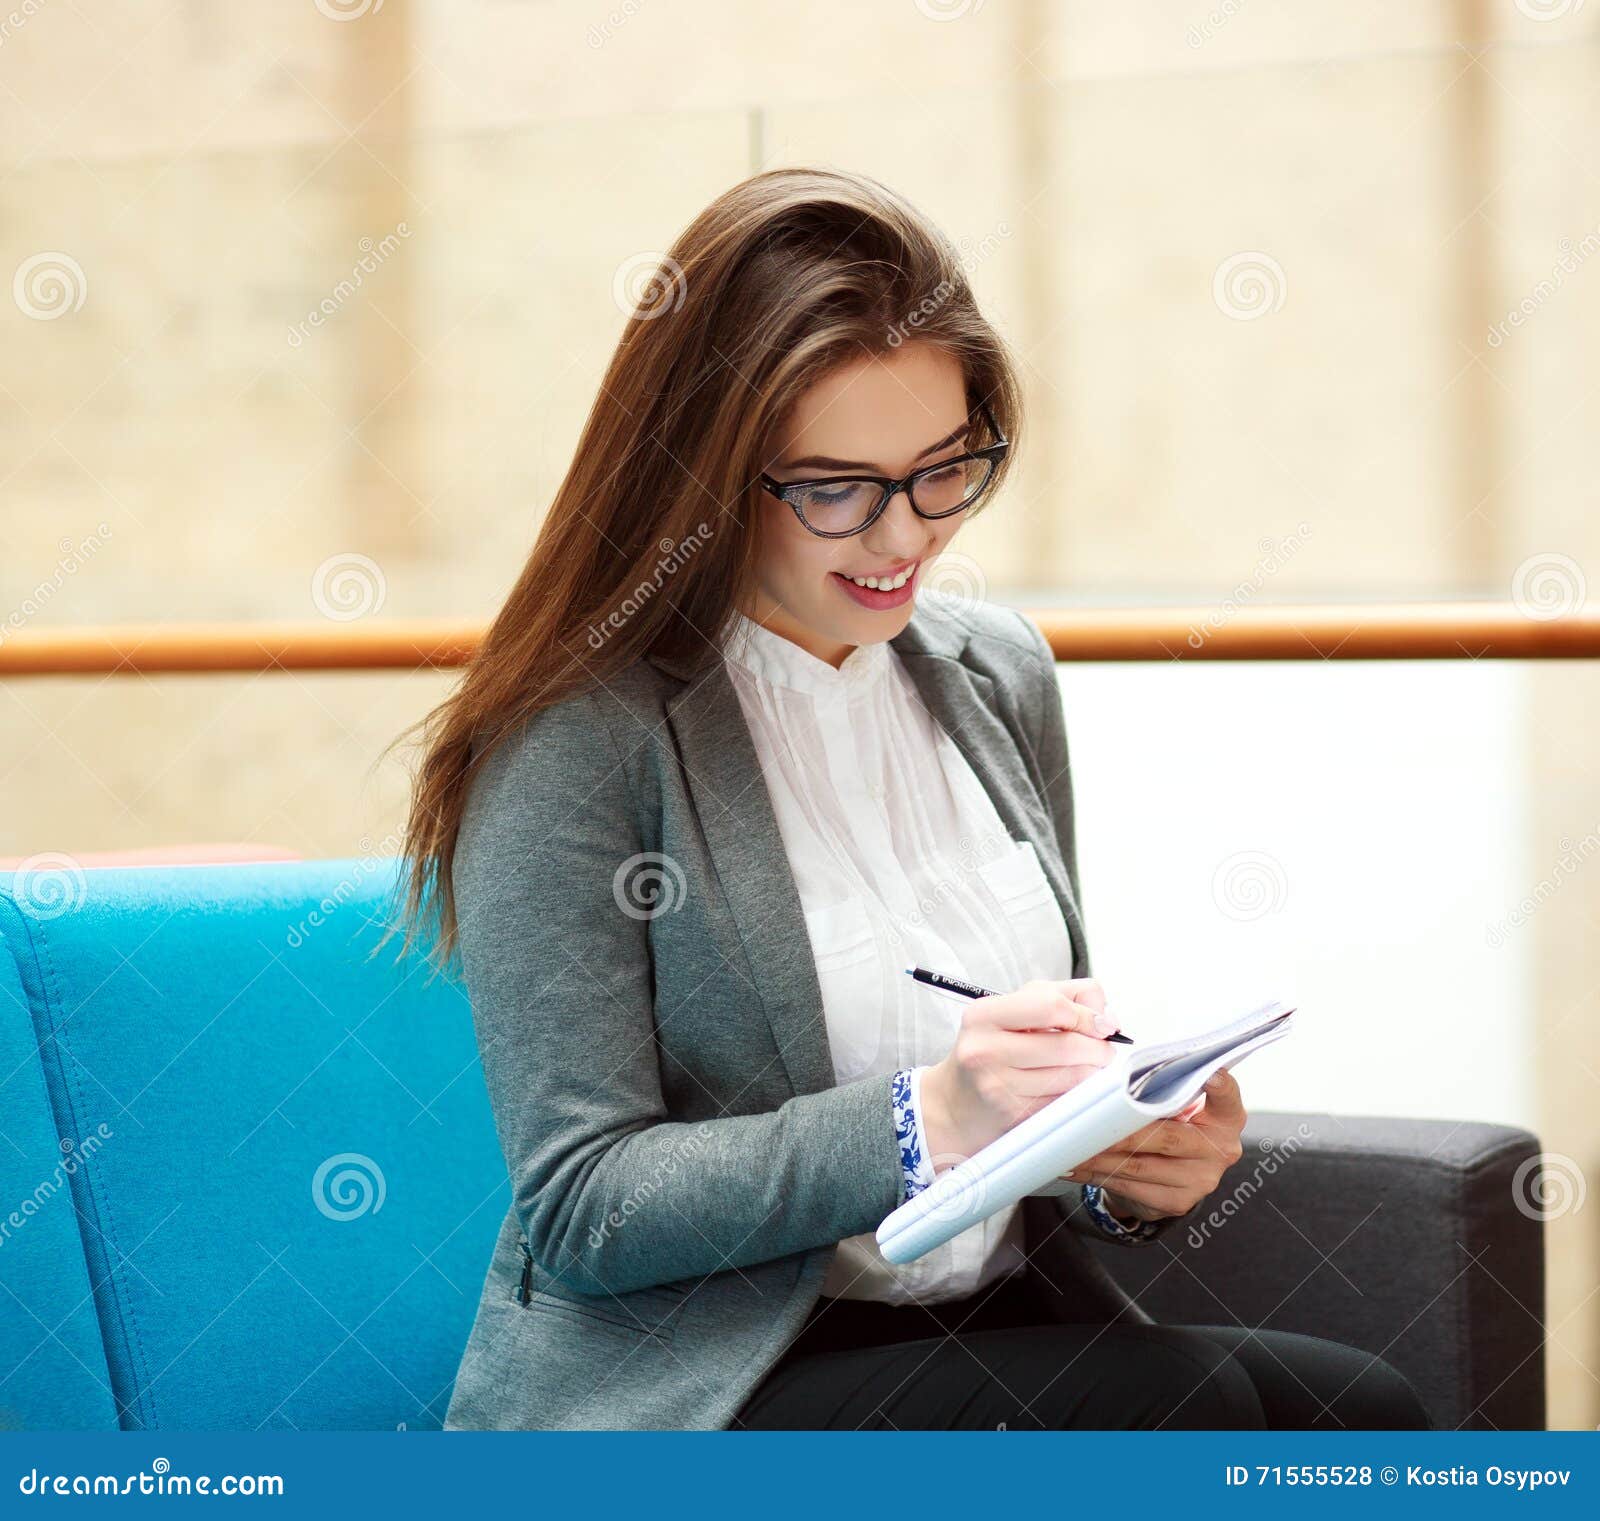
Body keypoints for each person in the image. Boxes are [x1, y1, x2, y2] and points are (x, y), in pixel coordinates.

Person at [392, 165, 1431, 1432]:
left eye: (944, 470)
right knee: (1179, 1406)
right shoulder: (579, 738)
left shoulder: (996, 677)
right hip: (712, 1387)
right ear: (705, 478)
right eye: (836, 489)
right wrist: (928, 1112)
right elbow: (588, 1207)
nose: (904, 539)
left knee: (1366, 1412)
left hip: (992, 1332)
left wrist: (1123, 1157)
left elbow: (1042, 1083)